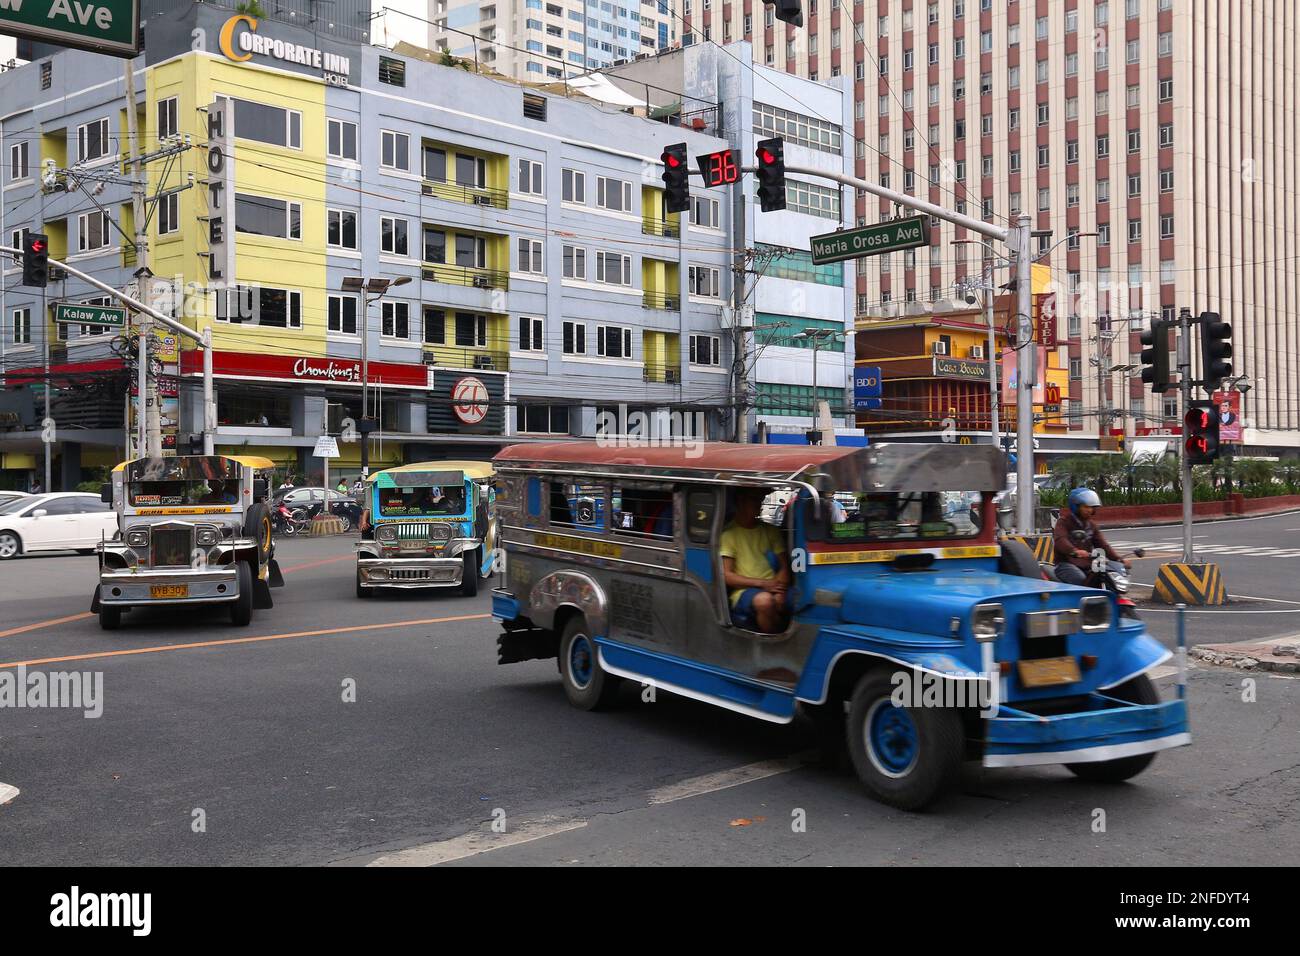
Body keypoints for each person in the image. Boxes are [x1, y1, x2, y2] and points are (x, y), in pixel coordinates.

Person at [720, 487, 792, 634]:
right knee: (765, 602)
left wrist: (780, 589)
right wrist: (763, 584)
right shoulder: (729, 535)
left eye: (761, 500)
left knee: (796, 600)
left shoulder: (770, 530)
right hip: (744, 591)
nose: (759, 504)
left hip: (774, 585)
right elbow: (727, 576)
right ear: (741, 502)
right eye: (754, 499)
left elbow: (785, 566)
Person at [1053, 487, 1127, 586]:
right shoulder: (1064, 522)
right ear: (1076, 506)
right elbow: (1060, 540)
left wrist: (1119, 560)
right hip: (1066, 564)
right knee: (1080, 579)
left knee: (1104, 578)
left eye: (1091, 507)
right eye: (1086, 507)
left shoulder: (1091, 525)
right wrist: (1074, 551)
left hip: (1087, 564)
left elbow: (1103, 545)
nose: (1089, 510)